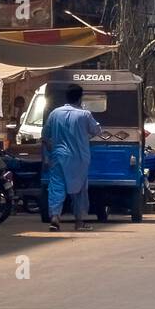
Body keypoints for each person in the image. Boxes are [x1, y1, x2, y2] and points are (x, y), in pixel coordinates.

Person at [41, 84, 104, 231]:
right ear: (80, 98)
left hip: (58, 156)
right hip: (79, 158)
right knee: (79, 189)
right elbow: (96, 130)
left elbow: (45, 135)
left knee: (56, 187)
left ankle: (55, 217)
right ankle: (79, 222)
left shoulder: (55, 113)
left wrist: (47, 152)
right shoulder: (85, 114)